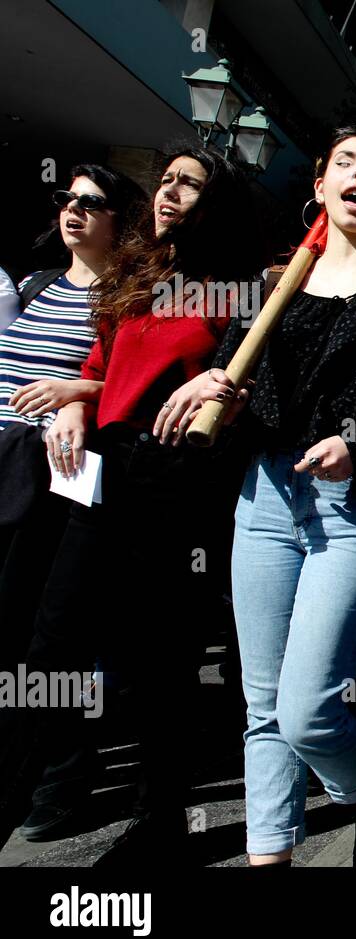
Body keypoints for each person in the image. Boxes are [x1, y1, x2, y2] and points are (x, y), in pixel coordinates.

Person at [163, 125, 356, 867]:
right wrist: (216, 388)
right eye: (345, 163)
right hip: (264, 498)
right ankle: (269, 856)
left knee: (309, 708)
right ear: (320, 187)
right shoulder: (273, 284)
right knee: (262, 707)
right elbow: (237, 384)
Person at [2, 145, 266, 866]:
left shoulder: (242, 291)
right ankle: (20, 790)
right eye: (167, 181)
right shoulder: (138, 274)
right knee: (47, 648)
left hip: (180, 487)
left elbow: (251, 392)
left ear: (220, 202)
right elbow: (99, 371)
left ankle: (160, 817)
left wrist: (223, 385)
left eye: (190, 184)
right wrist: (75, 405)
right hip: (104, 471)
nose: (169, 193)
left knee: (161, 663)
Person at [0, 164, 146, 842]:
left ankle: (64, 772)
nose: (74, 211)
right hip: (6, 471)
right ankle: (34, 763)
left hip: (63, 482)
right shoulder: (32, 285)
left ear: (120, 220)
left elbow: (124, 384)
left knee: (55, 641)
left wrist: (76, 394)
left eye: (93, 202)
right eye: (68, 199)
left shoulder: (125, 300)